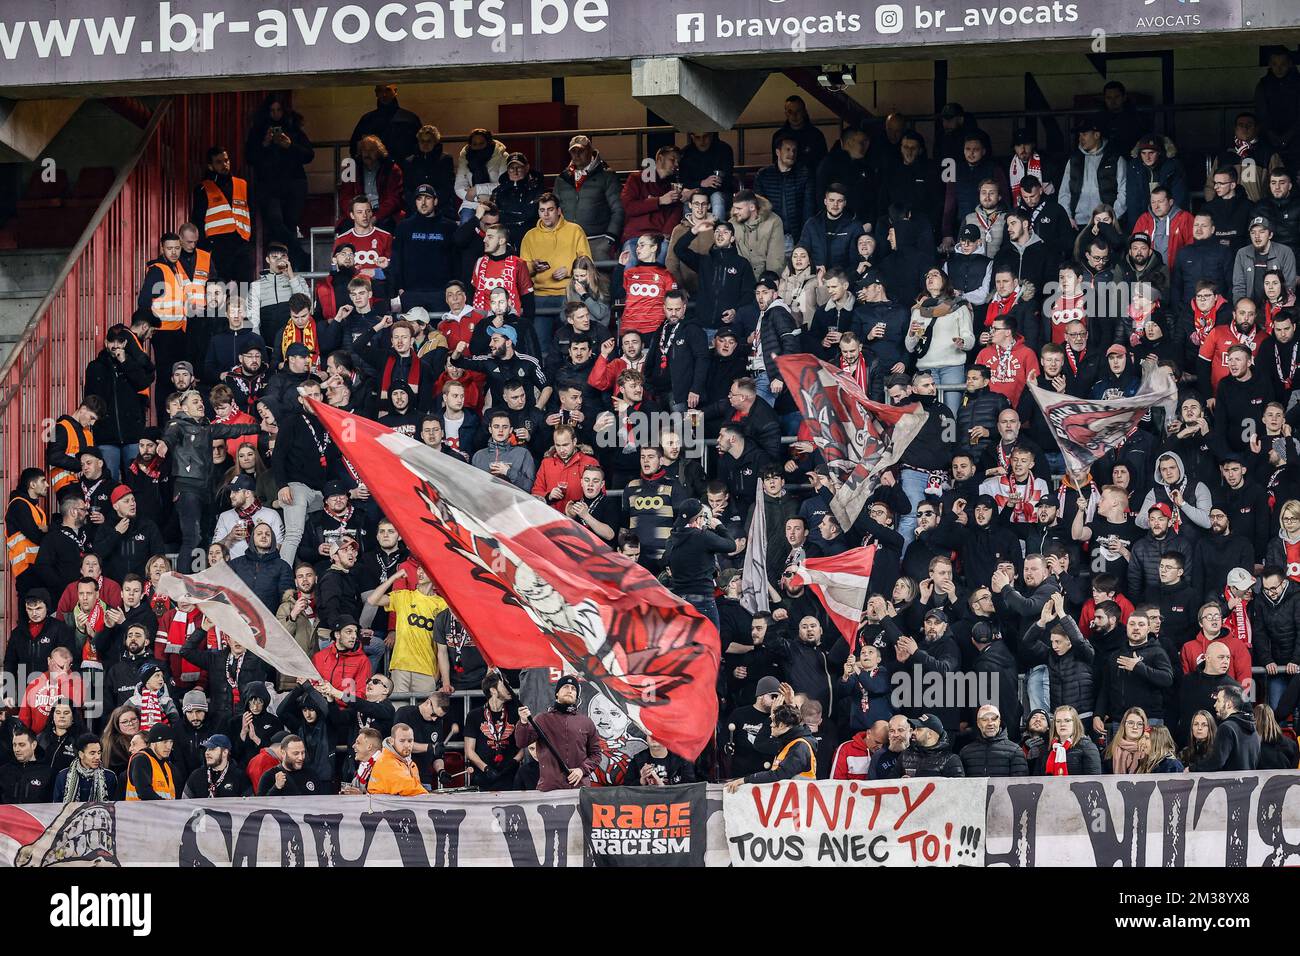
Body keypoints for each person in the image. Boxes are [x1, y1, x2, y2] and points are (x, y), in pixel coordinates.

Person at [513, 676, 600, 792]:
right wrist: (523, 722)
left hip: (579, 789)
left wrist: (581, 770)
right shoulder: (542, 719)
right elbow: (521, 742)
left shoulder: (586, 722)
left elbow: (596, 754)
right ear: (557, 693)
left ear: (577, 696)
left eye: (573, 689)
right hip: (549, 789)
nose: (570, 690)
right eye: (565, 687)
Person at [553, 135, 623, 261]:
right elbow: (554, 210)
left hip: (598, 241)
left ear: (590, 151)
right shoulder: (562, 179)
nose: (577, 155)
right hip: (568, 241)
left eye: (581, 151)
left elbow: (618, 209)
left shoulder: (607, 176)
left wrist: (609, 239)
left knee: (600, 279)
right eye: (573, 151)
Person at [191, 146, 253, 283]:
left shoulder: (242, 184)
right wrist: (205, 248)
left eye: (226, 160)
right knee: (218, 288)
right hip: (218, 246)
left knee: (245, 288)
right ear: (210, 166)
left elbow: (251, 213)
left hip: (241, 242)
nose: (224, 164)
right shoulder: (203, 188)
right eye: (219, 162)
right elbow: (198, 220)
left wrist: (250, 242)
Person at [724, 701, 819, 791]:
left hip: (800, 802)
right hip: (790, 802)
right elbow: (760, 744)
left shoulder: (800, 746)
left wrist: (745, 780)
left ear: (781, 725)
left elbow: (779, 775)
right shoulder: (788, 742)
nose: (771, 725)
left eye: (773, 721)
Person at [1200, 683, 1259, 770]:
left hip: (1231, 783)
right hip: (1250, 782)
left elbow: (1217, 761)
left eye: (1218, 701)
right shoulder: (1254, 727)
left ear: (1229, 704)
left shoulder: (1226, 727)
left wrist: (1193, 768)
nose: (1215, 705)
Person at [959, 705, 1029, 776]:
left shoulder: (1015, 751)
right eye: (985, 719)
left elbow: (1020, 785)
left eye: (994, 719)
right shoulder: (965, 752)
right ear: (978, 724)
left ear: (999, 722)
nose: (990, 723)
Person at [50, 733, 115, 803]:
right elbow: (56, 807)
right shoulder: (63, 776)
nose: (97, 757)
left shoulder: (109, 776)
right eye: (92, 753)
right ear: (81, 754)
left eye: (99, 753)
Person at [367, 723, 429, 796]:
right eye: (402, 741)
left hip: (394, 805)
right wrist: (431, 798)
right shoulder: (386, 762)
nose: (407, 745)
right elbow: (409, 788)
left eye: (410, 741)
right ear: (391, 741)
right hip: (383, 806)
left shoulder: (408, 762)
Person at [180, 733, 250, 798]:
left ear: (225, 752)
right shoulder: (196, 776)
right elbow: (184, 805)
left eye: (212, 749)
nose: (207, 753)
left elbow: (250, 806)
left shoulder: (239, 777)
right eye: (206, 749)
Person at [125, 723, 177, 800]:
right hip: (140, 811)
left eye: (171, 742)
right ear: (153, 743)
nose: (169, 746)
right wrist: (166, 807)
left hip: (162, 811)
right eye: (164, 742)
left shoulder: (167, 765)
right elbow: (144, 792)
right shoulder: (141, 759)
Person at [257, 734, 322, 796]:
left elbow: (321, 801)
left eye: (303, 752)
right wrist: (276, 787)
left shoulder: (311, 774)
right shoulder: (269, 776)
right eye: (296, 753)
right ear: (283, 753)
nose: (301, 757)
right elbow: (261, 804)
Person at [1254, 704, 1299, 770]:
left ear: (1254, 719)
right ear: (1273, 718)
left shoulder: (1251, 746)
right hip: (1286, 779)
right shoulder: (1292, 744)